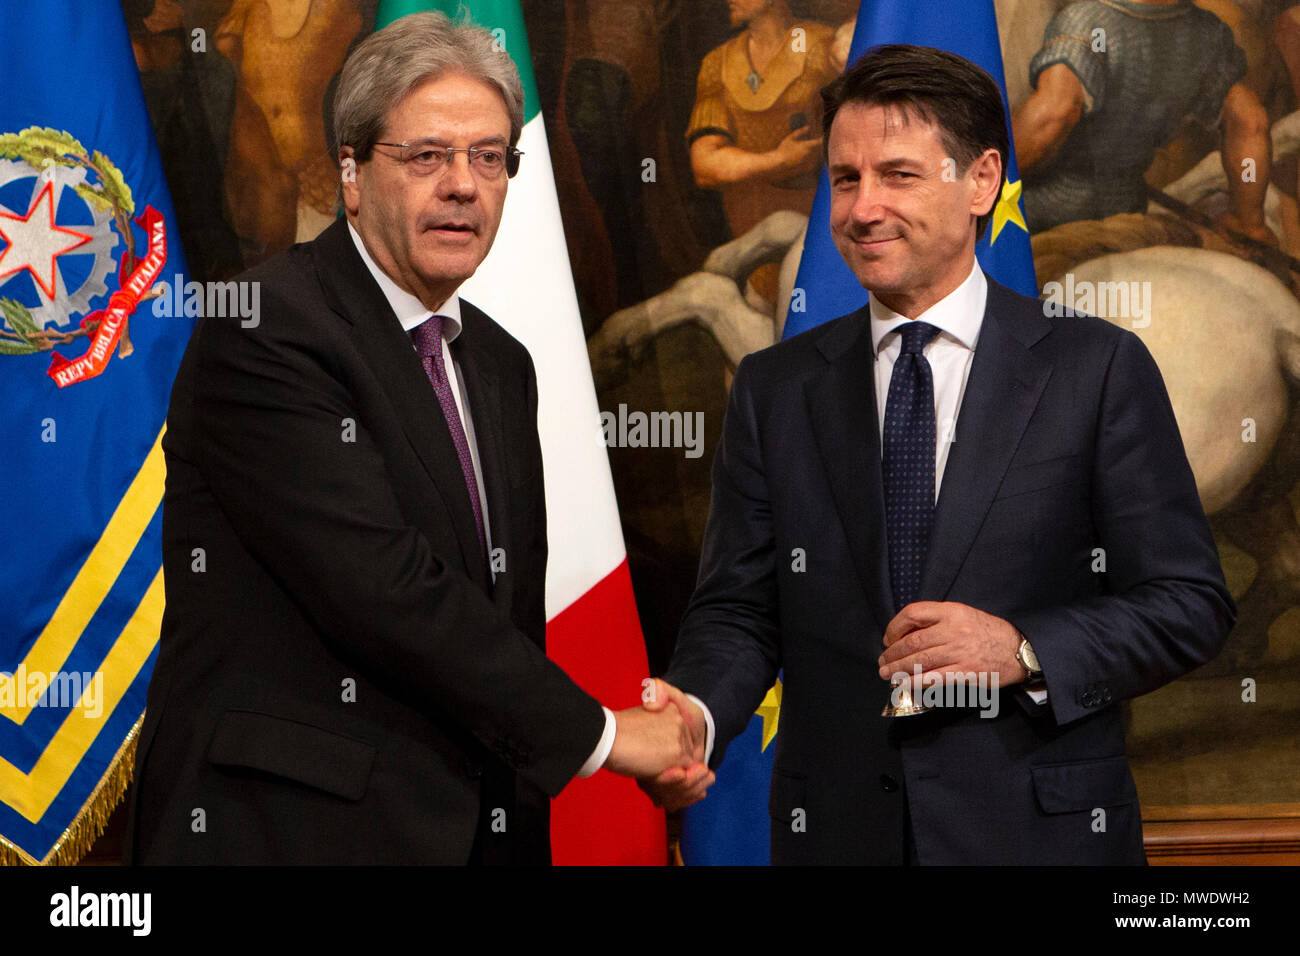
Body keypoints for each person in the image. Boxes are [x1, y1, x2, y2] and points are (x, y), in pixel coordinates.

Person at [124, 12, 699, 865]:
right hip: (289, 835)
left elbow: (505, 617)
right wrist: (607, 738)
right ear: (350, 174)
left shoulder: (502, 363)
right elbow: (386, 590)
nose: (463, 185)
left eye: (490, 157)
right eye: (427, 156)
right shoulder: (267, 327)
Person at [641, 44, 1235, 864]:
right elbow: (740, 610)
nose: (860, 209)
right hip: (840, 837)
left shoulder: (1094, 370)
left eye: (898, 175)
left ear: (982, 180)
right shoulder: (776, 390)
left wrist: (1023, 650)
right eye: (845, 179)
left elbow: (1188, 603)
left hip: (1039, 837)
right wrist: (695, 716)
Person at [1012, 0, 1273, 242]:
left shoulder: (1088, 21)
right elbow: (1250, 123)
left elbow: (1054, 115)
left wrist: (986, 177)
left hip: (1045, 217)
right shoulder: (1206, 35)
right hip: (1128, 214)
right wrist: (1249, 221)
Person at [686, 0, 839, 304]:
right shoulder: (718, 62)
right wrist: (780, 160)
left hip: (821, 244)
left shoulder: (823, 47)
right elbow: (704, 164)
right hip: (751, 256)